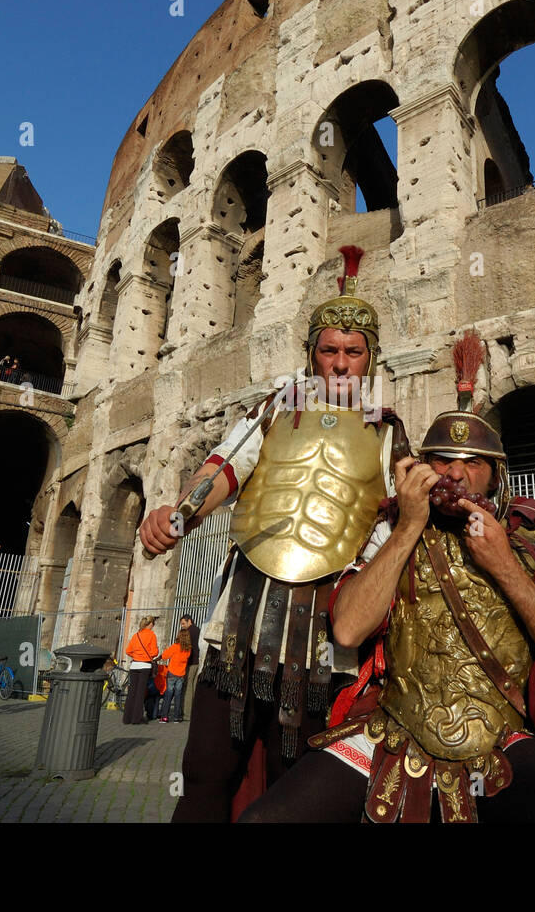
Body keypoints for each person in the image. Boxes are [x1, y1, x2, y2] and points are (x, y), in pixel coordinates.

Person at [140, 246, 410, 822]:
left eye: (353, 353)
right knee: (206, 771)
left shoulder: (389, 433)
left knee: (295, 785)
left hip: (324, 637)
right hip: (238, 617)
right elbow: (223, 468)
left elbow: (399, 523)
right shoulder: (272, 411)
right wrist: (178, 516)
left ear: (370, 358)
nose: (340, 363)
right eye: (330, 351)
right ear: (313, 356)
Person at [239, 407, 535, 823]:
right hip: (393, 727)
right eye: (443, 461)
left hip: (501, 734)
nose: (456, 474)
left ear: (494, 475)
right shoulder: (391, 525)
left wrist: (504, 565)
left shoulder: (531, 533)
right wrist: (408, 527)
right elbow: (346, 629)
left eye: (473, 462)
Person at [122, 616, 159, 726]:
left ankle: (127, 717)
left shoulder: (136, 635)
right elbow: (154, 652)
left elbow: (128, 651)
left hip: (134, 665)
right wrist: (146, 655)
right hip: (144, 666)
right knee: (140, 692)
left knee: (131, 692)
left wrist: (137, 655)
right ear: (150, 624)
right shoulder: (151, 635)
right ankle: (136, 718)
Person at [158, 629, 192, 723]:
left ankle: (164, 717)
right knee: (178, 695)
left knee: (168, 695)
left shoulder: (175, 646)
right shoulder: (188, 649)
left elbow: (165, 656)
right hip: (181, 674)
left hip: (172, 673)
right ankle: (177, 717)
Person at [179, 614, 201, 720]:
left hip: (191, 662)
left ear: (189, 621)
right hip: (199, 662)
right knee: (194, 687)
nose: (182, 626)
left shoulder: (189, 632)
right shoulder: (199, 630)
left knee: (188, 686)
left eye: (183, 623)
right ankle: (195, 711)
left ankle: (187, 713)